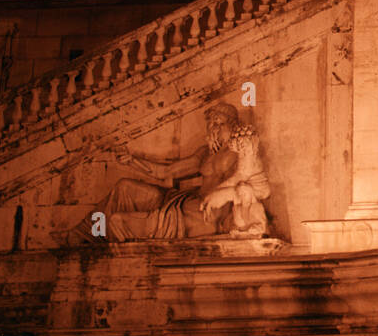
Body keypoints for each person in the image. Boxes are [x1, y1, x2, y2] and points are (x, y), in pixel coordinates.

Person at [85, 101, 270, 241]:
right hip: (184, 200)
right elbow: (166, 172)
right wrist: (132, 161)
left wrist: (222, 194)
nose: (216, 128)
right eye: (213, 124)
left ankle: (103, 239)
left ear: (233, 124)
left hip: (201, 215)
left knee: (118, 221)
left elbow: (253, 184)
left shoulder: (243, 150)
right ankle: (86, 234)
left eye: (221, 123)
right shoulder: (205, 154)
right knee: (124, 186)